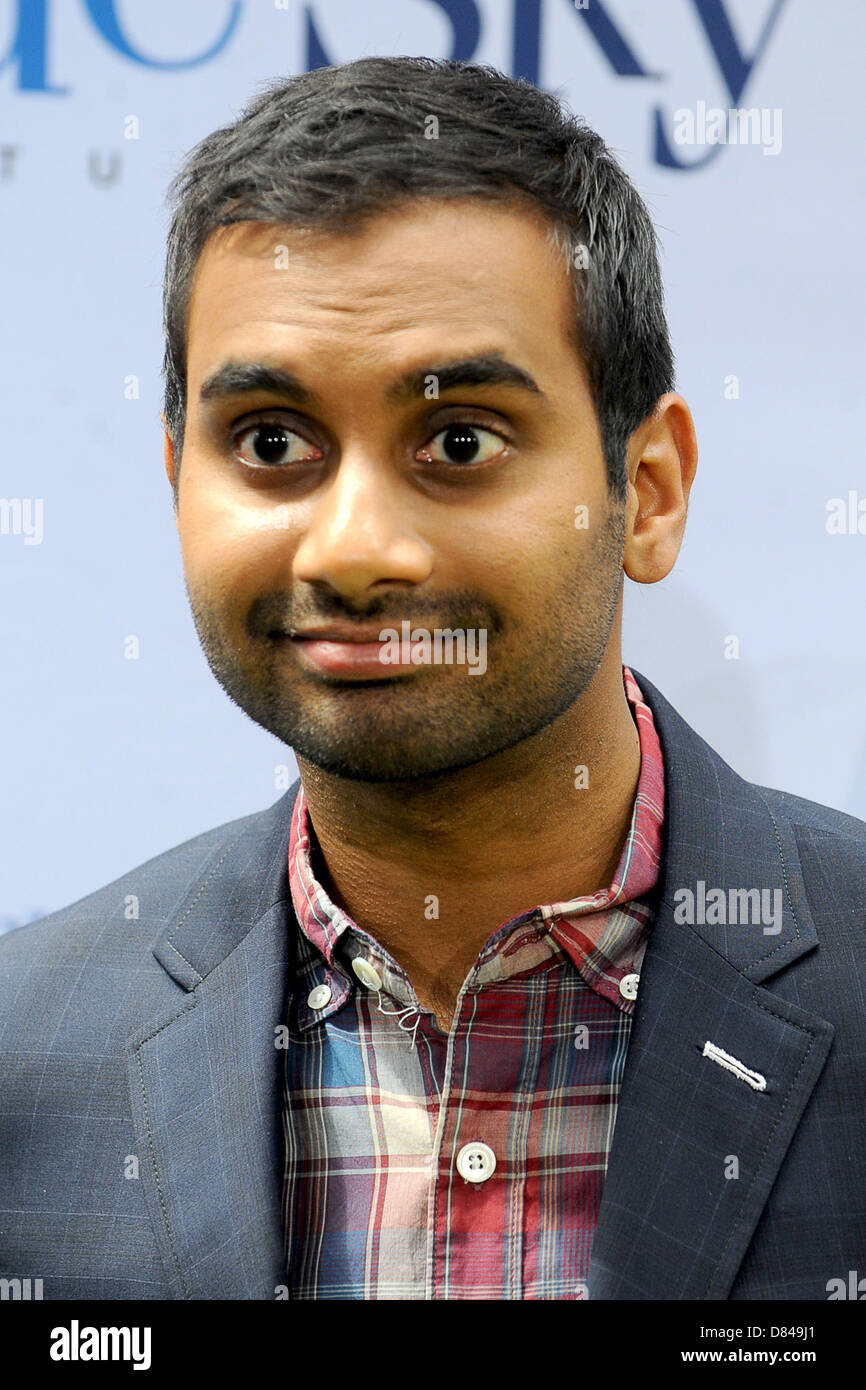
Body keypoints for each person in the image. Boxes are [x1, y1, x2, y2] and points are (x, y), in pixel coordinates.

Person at [1, 55, 863, 1302]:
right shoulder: (27, 1061)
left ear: (648, 491)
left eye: (458, 439)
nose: (354, 548)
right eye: (272, 443)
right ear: (176, 476)